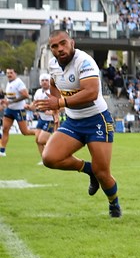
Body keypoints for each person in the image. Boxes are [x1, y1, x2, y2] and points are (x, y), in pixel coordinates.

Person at [33, 30, 121, 217]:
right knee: (49, 158)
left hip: (97, 119)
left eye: (63, 43)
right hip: (73, 121)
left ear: (72, 43)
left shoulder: (84, 61)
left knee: (103, 173)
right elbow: (55, 84)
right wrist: (54, 106)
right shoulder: (53, 65)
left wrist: (60, 103)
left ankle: (113, 203)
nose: (59, 49)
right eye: (54, 46)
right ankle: (89, 170)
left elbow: (91, 92)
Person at [1, 67, 34, 156]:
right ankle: (2, 151)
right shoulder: (9, 83)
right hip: (9, 110)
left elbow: (26, 95)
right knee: (5, 129)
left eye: (11, 73)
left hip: (19, 110)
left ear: (15, 73)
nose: (9, 75)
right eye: (7, 73)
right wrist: (5, 100)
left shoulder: (18, 82)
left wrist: (10, 102)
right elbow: (10, 96)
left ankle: (40, 133)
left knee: (25, 132)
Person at [29, 74, 59, 163]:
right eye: (42, 80)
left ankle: (57, 150)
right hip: (42, 119)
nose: (44, 82)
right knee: (37, 140)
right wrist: (29, 107)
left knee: (42, 140)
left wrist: (52, 112)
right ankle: (44, 159)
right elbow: (34, 104)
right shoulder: (38, 92)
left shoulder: (53, 91)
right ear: (40, 82)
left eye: (46, 80)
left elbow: (62, 106)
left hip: (50, 120)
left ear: (49, 81)